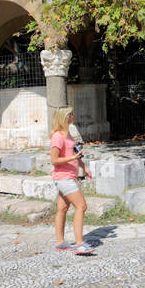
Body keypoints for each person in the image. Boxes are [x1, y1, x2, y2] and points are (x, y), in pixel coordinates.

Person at [50, 108, 94, 255]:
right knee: (81, 206)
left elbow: (75, 154)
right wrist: (72, 159)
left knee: (62, 209)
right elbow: (54, 160)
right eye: (71, 115)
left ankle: (60, 243)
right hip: (64, 178)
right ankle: (80, 244)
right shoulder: (57, 136)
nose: (74, 116)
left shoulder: (68, 134)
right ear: (64, 117)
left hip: (68, 177)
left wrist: (84, 167)